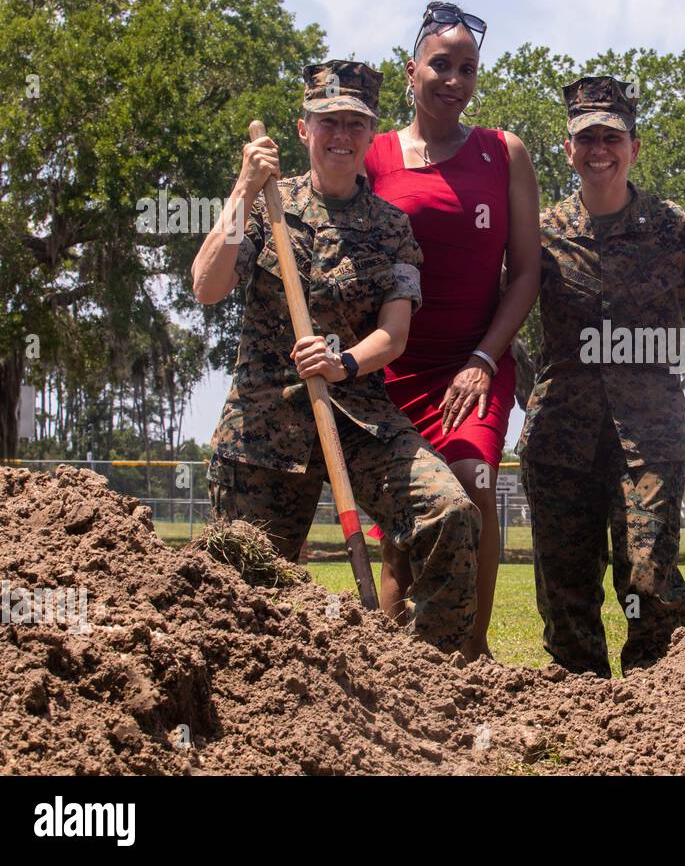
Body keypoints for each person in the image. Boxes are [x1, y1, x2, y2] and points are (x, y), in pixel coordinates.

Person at [192, 59, 480, 653]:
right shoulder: (266, 208)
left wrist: (343, 363)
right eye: (328, 123)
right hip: (262, 431)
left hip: (357, 417)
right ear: (304, 131)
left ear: (371, 134)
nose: (341, 137)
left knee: (450, 512)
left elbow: (393, 336)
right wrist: (242, 190)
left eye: (355, 123)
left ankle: (432, 678)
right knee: (248, 593)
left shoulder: (392, 228)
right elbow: (206, 286)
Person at [517, 76, 685, 677]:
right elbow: (502, 309)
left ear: (634, 146)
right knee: (565, 584)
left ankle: (655, 705)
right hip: (560, 437)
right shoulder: (540, 231)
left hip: (650, 438)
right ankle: (578, 710)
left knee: (647, 579)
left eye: (612, 136)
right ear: (567, 149)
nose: (599, 149)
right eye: (587, 138)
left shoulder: (674, 229)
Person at [365, 2, 540, 661]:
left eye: (467, 69)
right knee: (401, 523)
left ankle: (470, 650)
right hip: (394, 364)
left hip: (475, 364)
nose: (454, 80)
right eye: (441, 64)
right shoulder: (374, 156)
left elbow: (524, 273)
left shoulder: (504, 153)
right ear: (411, 71)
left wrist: (482, 359)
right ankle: (395, 660)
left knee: (473, 480)